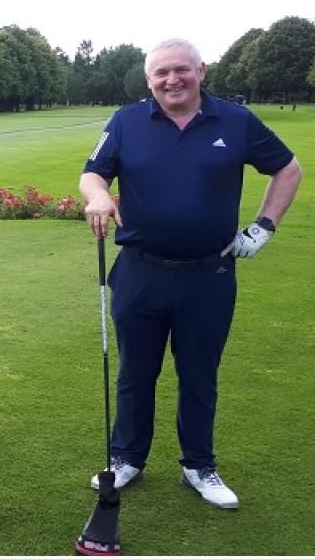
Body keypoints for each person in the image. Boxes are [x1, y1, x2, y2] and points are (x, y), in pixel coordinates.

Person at [80, 38, 301, 510]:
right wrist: (97, 194)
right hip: (140, 271)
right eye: (161, 73)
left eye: (180, 70)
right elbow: (93, 172)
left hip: (209, 274)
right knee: (135, 373)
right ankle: (126, 459)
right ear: (149, 80)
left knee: (199, 374)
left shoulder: (235, 121)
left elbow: (287, 168)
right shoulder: (127, 121)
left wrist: (264, 226)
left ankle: (199, 465)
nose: (171, 80)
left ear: (201, 71)